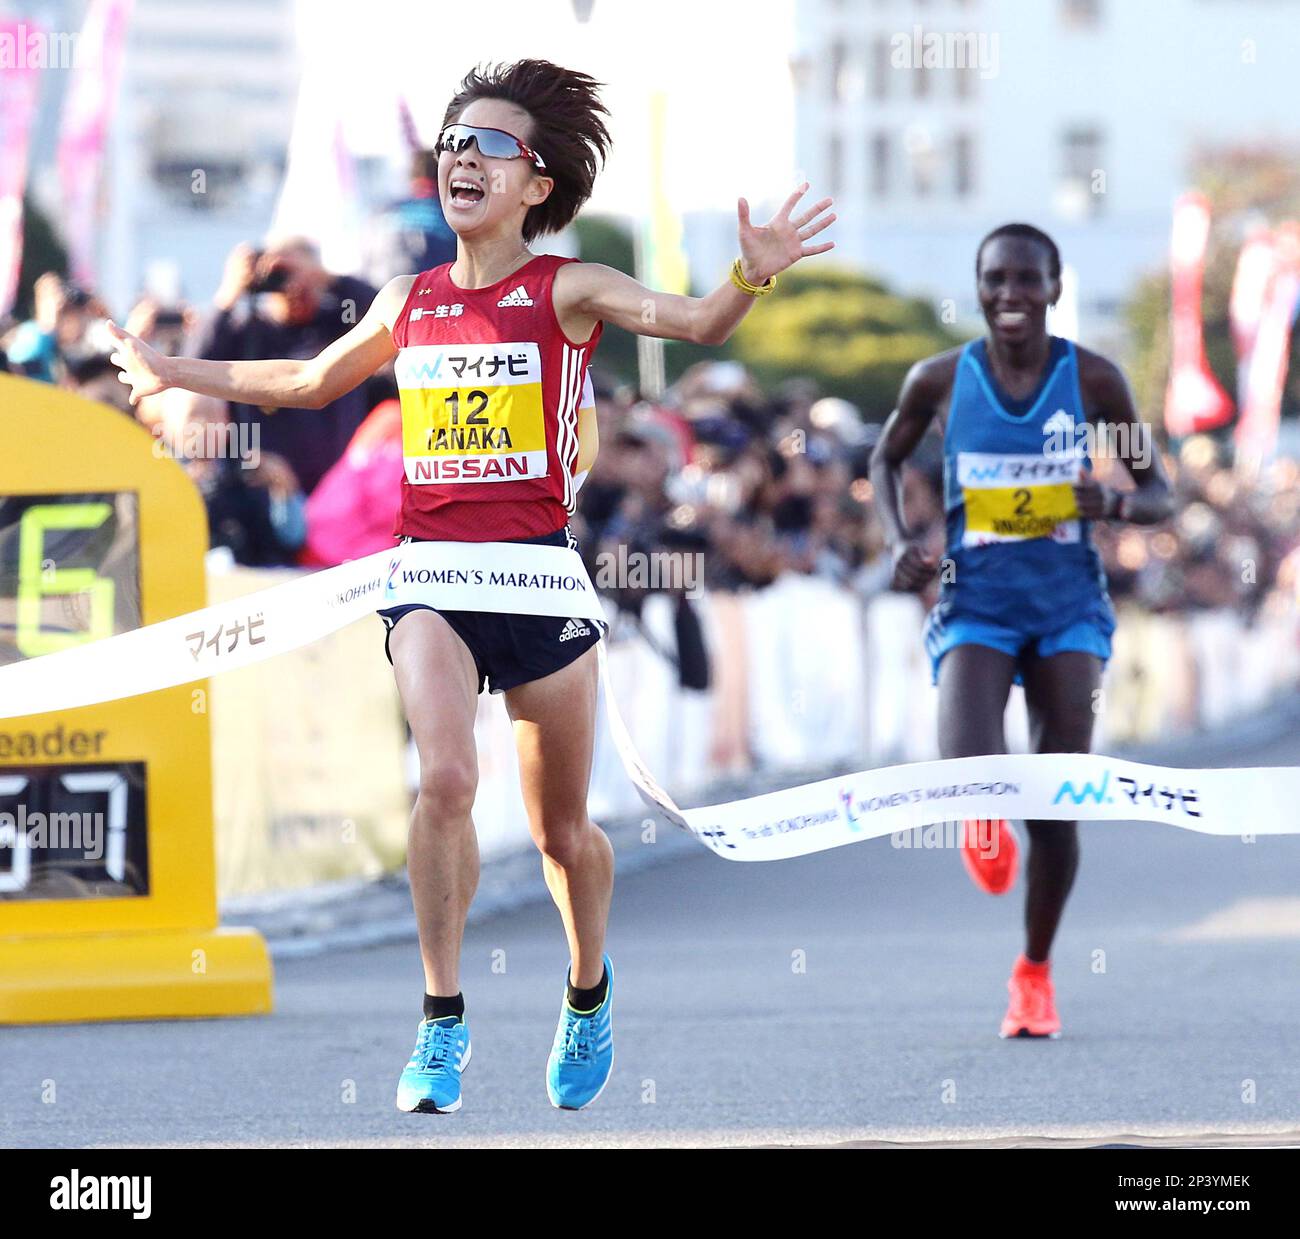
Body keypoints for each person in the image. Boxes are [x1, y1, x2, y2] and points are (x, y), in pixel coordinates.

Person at [107, 58, 835, 1113]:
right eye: (452, 142)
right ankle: (441, 1020)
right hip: (431, 578)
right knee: (445, 779)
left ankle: (587, 989)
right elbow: (309, 381)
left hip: (537, 579)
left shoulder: (568, 289)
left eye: (489, 145)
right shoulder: (410, 301)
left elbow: (691, 325)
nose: (461, 158)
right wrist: (178, 373)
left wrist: (749, 277)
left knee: (560, 836)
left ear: (536, 184)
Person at [870, 223, 1172, 1038]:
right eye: (994, 280)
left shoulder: (1097, 380)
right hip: (976, 599)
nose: (1010, 295)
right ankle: (978, 809)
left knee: (1055, 802)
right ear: (977, 286)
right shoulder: (939, 378)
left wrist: (1109, 503)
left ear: (1054, 286)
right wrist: (901, 541)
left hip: (1069, 603)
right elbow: (883, 461)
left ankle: (1033, 973)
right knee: (967, 764)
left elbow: (1161, 493)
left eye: (1026, 280)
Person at [196, 238, 379, 494]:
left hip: (341, 486)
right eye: (280, 276)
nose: (291, 288)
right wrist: (228, 294)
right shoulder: (247, 332)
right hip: (269, 488)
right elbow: (199, 359)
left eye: (294, 274)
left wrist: (328, 279)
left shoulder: (340, 323)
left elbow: (386, 311)